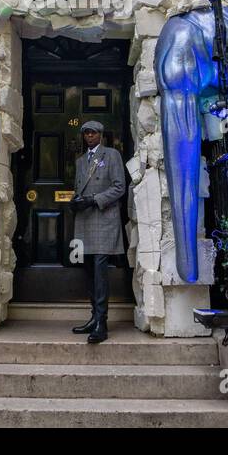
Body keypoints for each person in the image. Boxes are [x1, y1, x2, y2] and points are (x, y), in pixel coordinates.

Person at [69, 119, 126, 344]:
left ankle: (102, 322)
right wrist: (76, 201)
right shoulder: (81, 160)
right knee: (89, 272)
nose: (89, 136)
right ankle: (94, 317)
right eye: (86, 133)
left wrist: (94, 200)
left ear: (100, 135)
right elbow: (77, 188)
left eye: (93, 133)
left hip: (104, 219)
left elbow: (119, 187)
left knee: (101, 273)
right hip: (84, 221)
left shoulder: (111, 155)